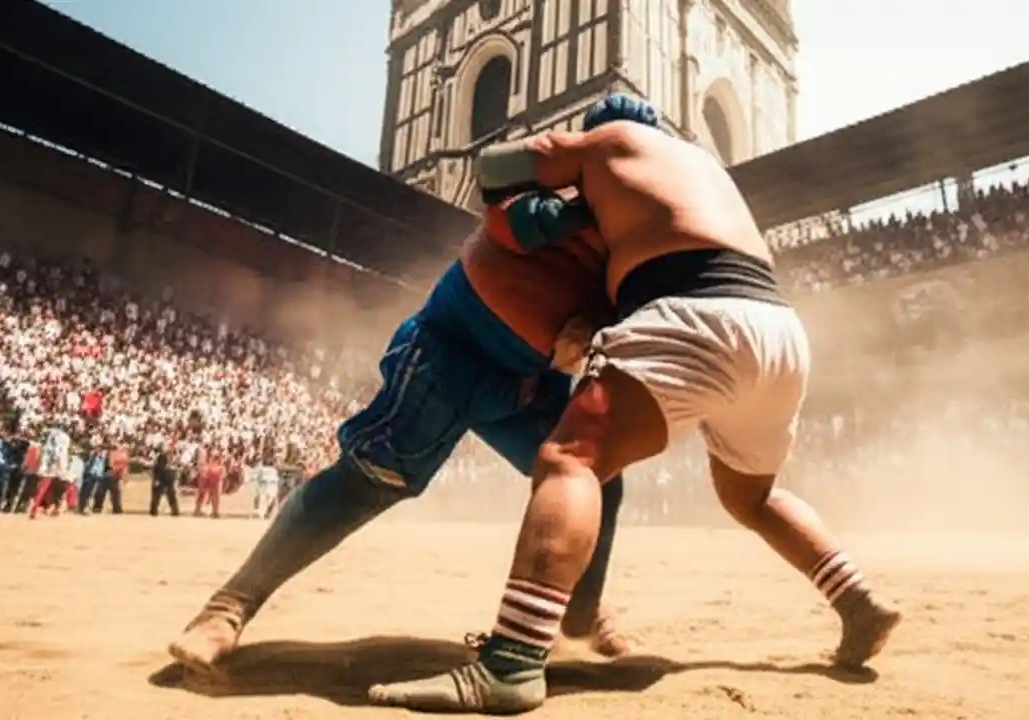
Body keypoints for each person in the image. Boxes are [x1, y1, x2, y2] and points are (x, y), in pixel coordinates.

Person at [370, 93, 902, 714]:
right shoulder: (704, 168)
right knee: (751, 496)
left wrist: (557, 204)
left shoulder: (606, 146)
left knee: (571, 458)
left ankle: (511, 663)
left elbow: (494, 167)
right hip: (779, 332)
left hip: (698, 314)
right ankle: (856, 599)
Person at [167, 179, 630, 679]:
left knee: (598, 476)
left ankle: (583, 610)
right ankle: (228, 607)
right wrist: (559, 215)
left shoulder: (639, 240)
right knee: (370, 477)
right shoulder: (550, 186)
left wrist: (601, 319)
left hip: (529, 383)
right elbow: (499, 198)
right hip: (446, 356)